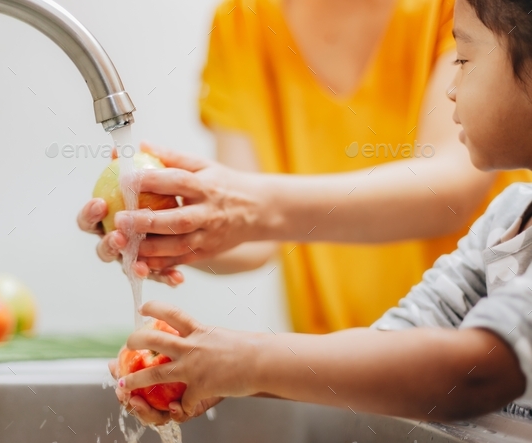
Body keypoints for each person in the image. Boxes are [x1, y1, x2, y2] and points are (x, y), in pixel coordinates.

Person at [113, 0, 532, 424]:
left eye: (464, 58)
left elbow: (472, 373)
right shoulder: (505, 222)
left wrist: (248, 363)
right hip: (363, 387)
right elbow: (400, 343)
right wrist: (217, 366)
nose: (452, 88)